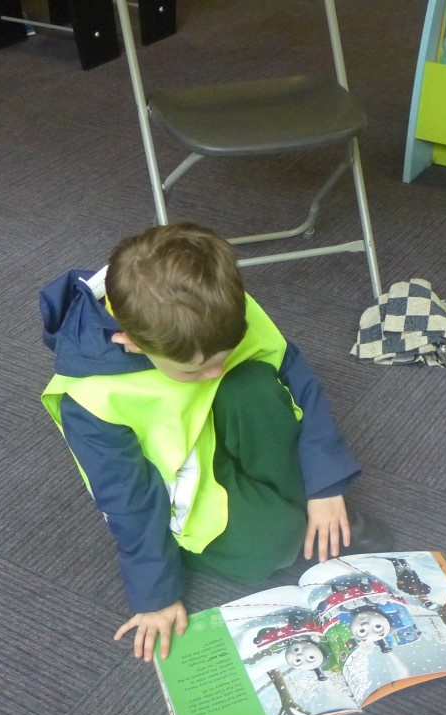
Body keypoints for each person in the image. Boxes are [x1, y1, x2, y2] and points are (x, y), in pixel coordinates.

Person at [40, 221, 390, 662]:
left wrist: (324, 486)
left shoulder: (220, 311)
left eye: (221, 357)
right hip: (184, 484)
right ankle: (289, 529)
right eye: (193, 370)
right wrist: (155, 594)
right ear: (130, 343)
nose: (211, 373)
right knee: (273, 543)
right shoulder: (90, 398)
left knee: (253, 384)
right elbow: (129, 500)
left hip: (219, 427)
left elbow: (295, 381)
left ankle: (309, 512)